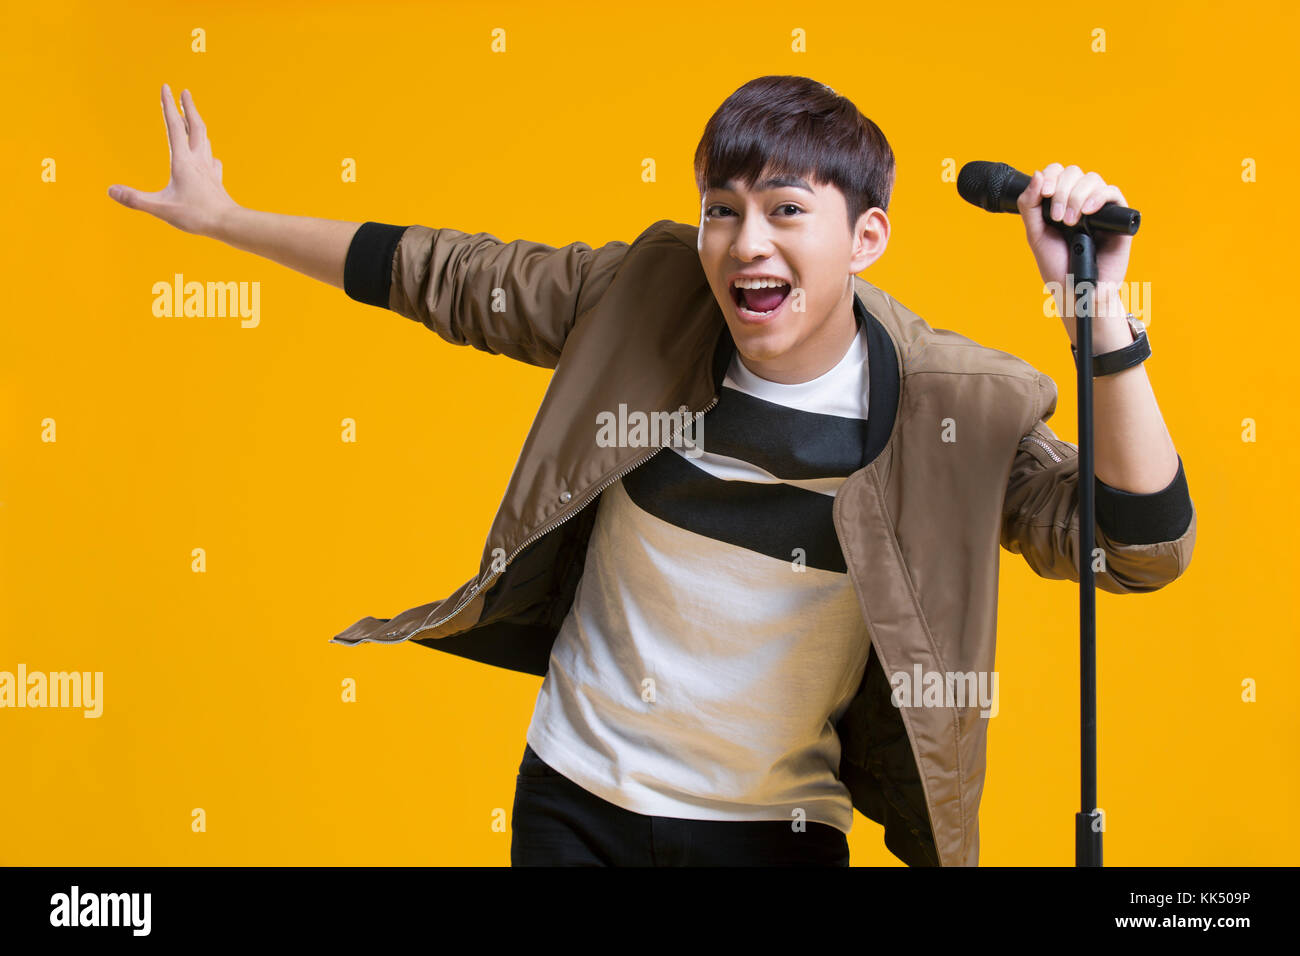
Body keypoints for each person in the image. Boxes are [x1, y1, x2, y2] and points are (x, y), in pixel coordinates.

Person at [109, 76, 1195, 867]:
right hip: (576, 797)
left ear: (865, 236)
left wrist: (1091, 300)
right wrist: (222, 218)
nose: (742, 241)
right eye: (721, 208)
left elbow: (1141, 545)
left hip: (775, 829)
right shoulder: (647, 294)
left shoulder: (951, 403)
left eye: (783, 208)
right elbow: (445, 273)